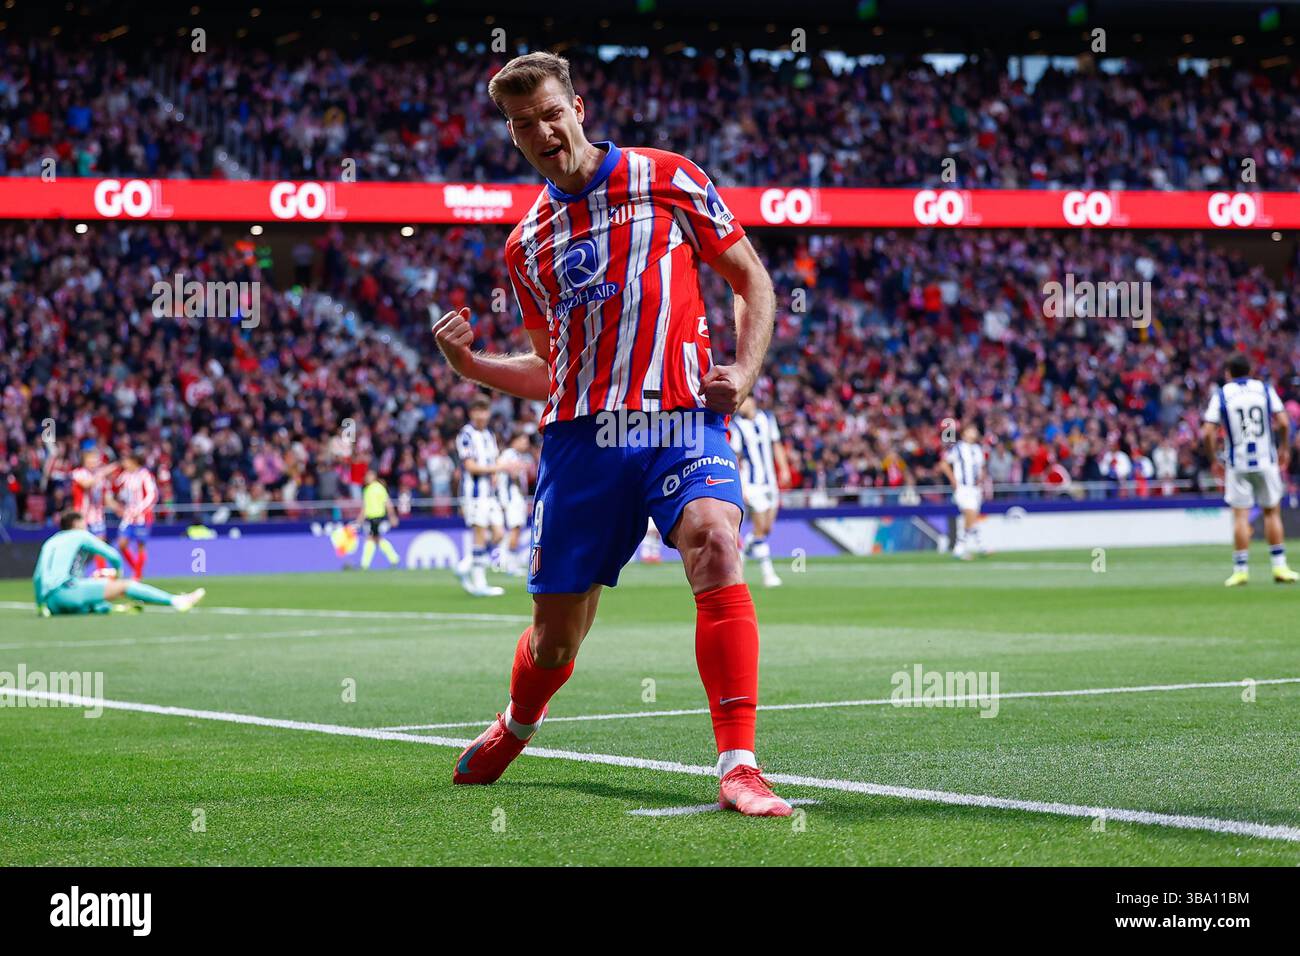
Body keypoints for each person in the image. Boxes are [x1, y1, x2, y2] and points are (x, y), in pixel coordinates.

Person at [433, 52, 789, 815]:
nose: (541, 131)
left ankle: (739, 765)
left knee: (716, 540)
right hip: (582, 441)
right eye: (523, 124)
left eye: (550, 114)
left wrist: (745, 372)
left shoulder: (669, 177)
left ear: (579, 108)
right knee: (556, 637)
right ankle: (517, 723)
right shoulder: (526, 243)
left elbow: (751, 279)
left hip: (679, 420)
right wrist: (472, 367)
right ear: (513, 135)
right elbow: (551, 368)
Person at [1201, 352, 1297, 586]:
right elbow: (1284, 422)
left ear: (1228, 373)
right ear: (1250, 371)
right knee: (1272, 512)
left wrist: (1213, 458)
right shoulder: (1264, 389)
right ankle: (1280, 567)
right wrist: (1284, 447)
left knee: (1240, 515)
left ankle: (1241, 570)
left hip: (1238, 462)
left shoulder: (1222, 393)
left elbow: (1207, 431)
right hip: (1266, 459)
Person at [34, 511, 205, 616]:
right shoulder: (80, 535)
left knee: (91, 601)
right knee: (126, 585)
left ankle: (110, 608)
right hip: (68, 592)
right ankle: (176, 601)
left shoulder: (50, 542)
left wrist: (42, 605)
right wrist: (118, 573)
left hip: (51, 602)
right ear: (76, 524)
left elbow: (38, 577)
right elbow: (113, 554)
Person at [729, 396, 788, 587]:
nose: (740, 405)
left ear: (753, 401)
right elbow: (736, 457)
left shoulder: (767, 419)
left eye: (744, 401)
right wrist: (740, 485)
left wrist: (784, 468)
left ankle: (743, 552)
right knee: (761, 528)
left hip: (770, 482)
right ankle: (768, 574)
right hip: (752, 484)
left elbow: (776, 444)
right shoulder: (736, 426)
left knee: (766, 528)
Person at [454, 398, 507, 597]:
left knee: (499, 533)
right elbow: (470, 467)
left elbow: (492, 461)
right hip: (474, 495)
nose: (482, 415)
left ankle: (465, 564)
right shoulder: (466, 435)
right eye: (478, 411)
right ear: (471, 413)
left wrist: (495, 473)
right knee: (479, 535)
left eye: (484, 411)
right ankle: (479, 584)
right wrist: (498, 468)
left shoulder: (489, 435)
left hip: (490, 495)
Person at [939, 424, 987, 560]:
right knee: (970, 514)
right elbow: (943, 464)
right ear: (964, 433)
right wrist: (953, 480)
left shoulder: (978, 449)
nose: (974, 433)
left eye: (975, 431)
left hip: (975, 489)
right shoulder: (958, 448)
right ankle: (961, 548)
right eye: (971, 430)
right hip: (963, 488)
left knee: (971, 518)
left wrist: (981, 479)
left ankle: (978, 546)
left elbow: (982, 467)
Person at [112, 449, 157, 580]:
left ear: (134, 461)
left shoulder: (145, 475)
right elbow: (116, 490)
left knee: (140, 546)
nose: (124, 463)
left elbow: (152, 495)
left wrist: (141, 509)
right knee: (121, 544)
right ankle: (136, 570)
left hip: (142, 517)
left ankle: (136, 576)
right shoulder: (124, 476)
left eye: (126, 460)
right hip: (128, 516)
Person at [495, 432, 533, 577]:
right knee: (515, 529)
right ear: (515, 440)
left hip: (516, 497)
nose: (526, 444)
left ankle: (506, 561)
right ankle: (510, 565)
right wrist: (520, 467)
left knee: (514, 529)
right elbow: (507, 471)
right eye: (523, 440)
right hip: (511, 497)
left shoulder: (516, 455)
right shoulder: (509, 454)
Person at [357, 468, 401, 570]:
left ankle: (365, 564)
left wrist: (392, 516)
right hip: (371, 518)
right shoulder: (367, 489)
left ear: (374, 477)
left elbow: (387, 503)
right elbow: (365, 507)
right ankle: (393, 558)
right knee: (376, 539)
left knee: (371, 538)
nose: (367, 478)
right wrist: (360, 519)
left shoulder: (379, 488)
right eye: (367, 476)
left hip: (378, 517)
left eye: (369, 475)